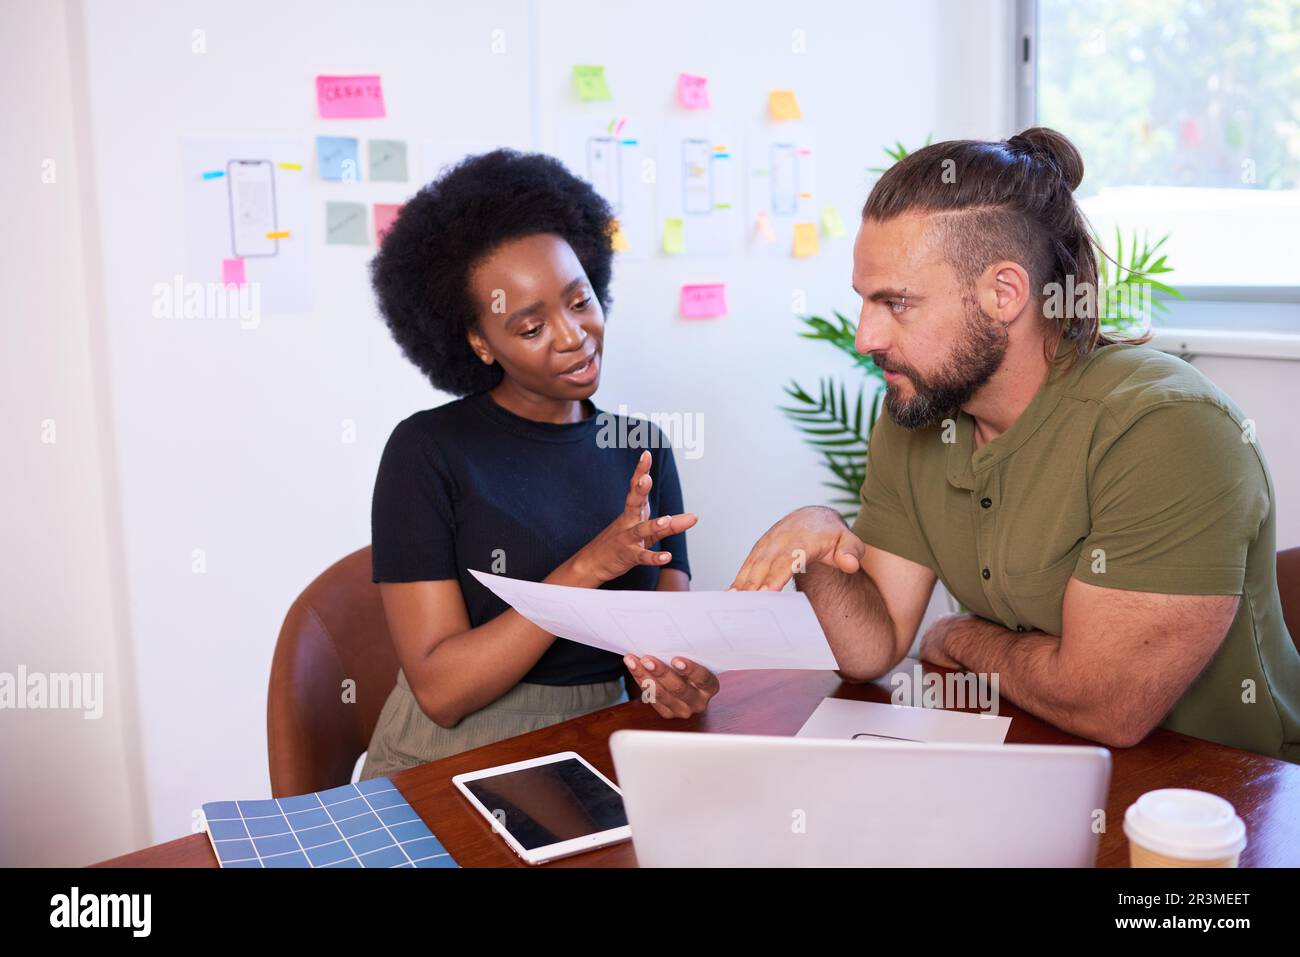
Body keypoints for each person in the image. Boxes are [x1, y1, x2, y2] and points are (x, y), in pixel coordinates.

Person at [733, 127, 1300, 762]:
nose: (865, 337)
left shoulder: (1167, 430)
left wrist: (959, 638)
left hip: (1235, 795)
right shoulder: (919, 414)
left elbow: (1107, 706)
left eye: (897, 303)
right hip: (1032, 759)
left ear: (1004, 293)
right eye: (865, 300)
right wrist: (820, 540)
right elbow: (874, 647)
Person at [360, 149, 718, 779]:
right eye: (530, 328)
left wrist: (678, 682)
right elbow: (442, 693)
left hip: (607, 732)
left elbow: (670, 643)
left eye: (579, 302)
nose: (573, 335)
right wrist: (589, 566)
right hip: (461, 747)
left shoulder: (643, 447)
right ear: (480, 343)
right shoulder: (427, 453)